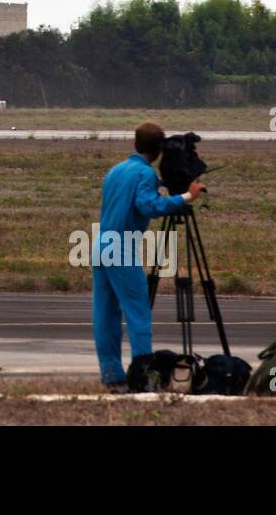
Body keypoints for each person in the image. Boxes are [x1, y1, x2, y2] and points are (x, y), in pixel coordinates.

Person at [92, 121, 203, 390]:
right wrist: (186, 196)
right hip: (122, 247)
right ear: (158, 150)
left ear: (135, 143)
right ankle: (143, 377)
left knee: (105, 315)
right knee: (138, 313)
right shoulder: (145, 174)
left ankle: (111, 374)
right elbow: (148, 205)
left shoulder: (116, 170)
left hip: (100, 245)